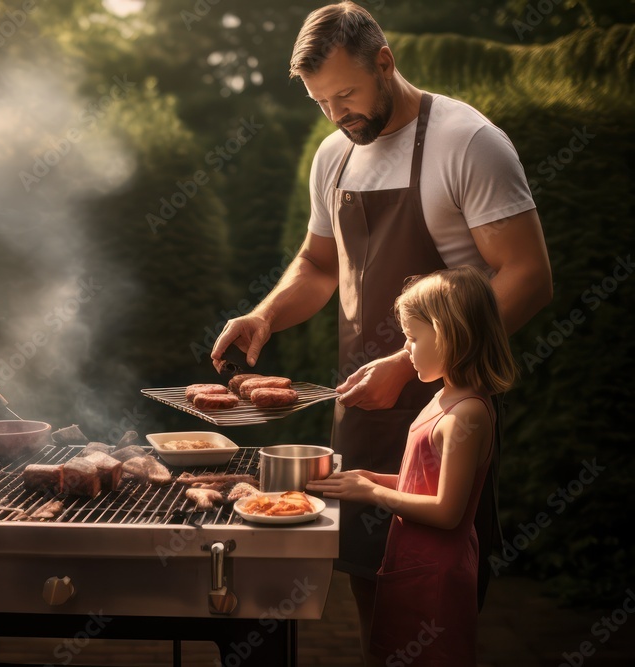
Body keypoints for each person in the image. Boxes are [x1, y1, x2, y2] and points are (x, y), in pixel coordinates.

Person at [209, 0, 552, 660]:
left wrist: (405, 360)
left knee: (438, 603)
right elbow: (316, 264)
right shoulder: (334, 157)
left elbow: (530, 276)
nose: (336, 114)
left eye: (346, 93)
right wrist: (265, 315)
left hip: (447, 414)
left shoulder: (468, 141)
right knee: (380, 613)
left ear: (385, 63)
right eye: (320, 101)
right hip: (364, 413)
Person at [307, 265, 516, 665]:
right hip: (411, 562)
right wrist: (369, 477)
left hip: (436, 575)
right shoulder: (443, 396)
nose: (406, 350)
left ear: (451, 335)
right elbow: (424, 482)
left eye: (413, 338)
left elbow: (447, 512)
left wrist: (372, 493)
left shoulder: (465, 415)